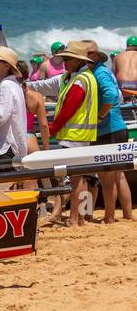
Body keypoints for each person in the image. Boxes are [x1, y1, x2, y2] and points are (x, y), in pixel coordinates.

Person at [45, 42, 100, 226]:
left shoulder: (79, 80)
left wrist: (53, 129)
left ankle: (75, 218)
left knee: (74, 180)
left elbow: (68, 109)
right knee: (82, 179)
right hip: (83, 135)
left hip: (74, 135)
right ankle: (82, 218)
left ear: (78, 60)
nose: (63, 62)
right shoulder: (87, 77)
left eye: (67, 59)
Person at [84, 40, 132, 222]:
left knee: (106, 176)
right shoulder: (103, 71)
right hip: (117, 127)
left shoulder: (99, 72)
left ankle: (109, 217)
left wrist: (100, 116)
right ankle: (127, 214)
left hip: (108, 130)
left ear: (94, 56)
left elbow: (112, 96)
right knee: (118, 174)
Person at [0, 47, 28, 164]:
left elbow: (1, 117)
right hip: (12, 145)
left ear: (6, 66)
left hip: (5, 146)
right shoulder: (14, 84)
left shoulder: (6, 85)